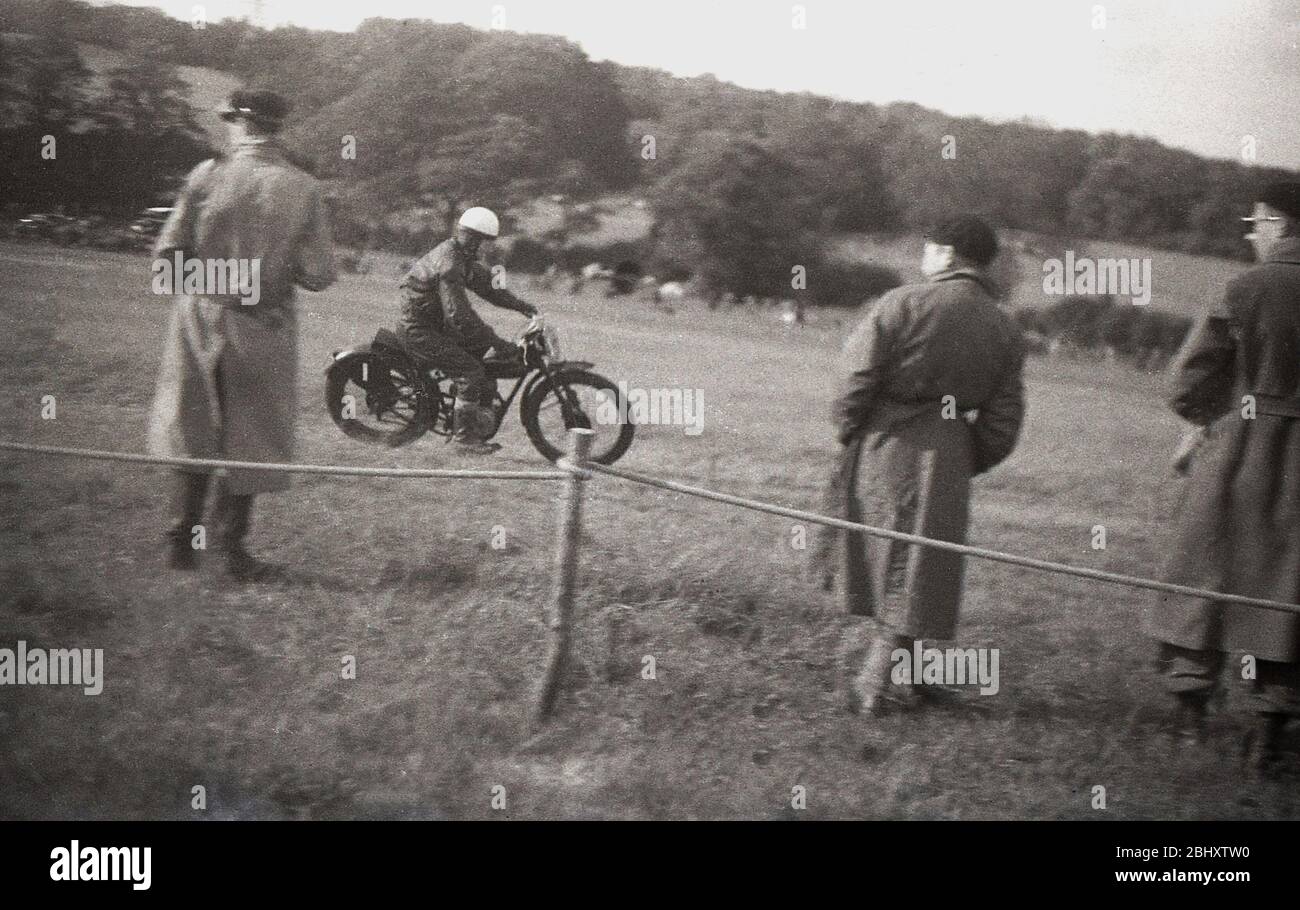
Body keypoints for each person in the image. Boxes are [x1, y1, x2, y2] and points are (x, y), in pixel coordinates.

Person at [817, 215, 1025, 715]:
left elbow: (855, 380)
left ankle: (873, 685)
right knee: (920, 566)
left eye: (929, 248)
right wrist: (958, 456)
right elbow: (1003, 421)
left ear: (949, 254)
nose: (923, 257)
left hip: (886, 442)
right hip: (951, 451)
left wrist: (853, 432)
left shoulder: (902, 303)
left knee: (893, 566)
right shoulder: (1005, 325)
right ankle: (910, 677)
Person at [148, 89, 336, 580]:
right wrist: (260, 277)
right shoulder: (304, 188)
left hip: (199, 317)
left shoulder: (206, 175)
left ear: (240, 124)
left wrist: (221, 281)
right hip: (264, 323)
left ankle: (181, 546)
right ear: (277, 127)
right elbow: (319, 273)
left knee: (192, 426)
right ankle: (230, 553)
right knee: (252, 435)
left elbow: (167, 258)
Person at [1145, 182, 1300, 771]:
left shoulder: (1243, 288)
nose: (1249, 233)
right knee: (1289, 588)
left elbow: (1186, 384)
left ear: (1280, 225)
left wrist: (1208, 419)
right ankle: (1272, 725)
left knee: (1204, 573)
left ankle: (1190, 712)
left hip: (1239, 450)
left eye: (1255, 222)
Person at [398, 207, 537, 454]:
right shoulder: (451, 263)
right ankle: (462, 440)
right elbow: (459, 316)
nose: (487, 248)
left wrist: (521, 306)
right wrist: (496, 340)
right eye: (485, 242)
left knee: (483, 358)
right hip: (421, 329)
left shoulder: (462, 257)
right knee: (470, 372)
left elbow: (488, 287)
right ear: (473, 239)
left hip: (433, 325)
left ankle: (473, 418)